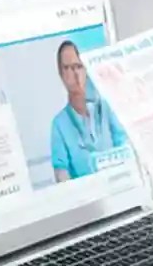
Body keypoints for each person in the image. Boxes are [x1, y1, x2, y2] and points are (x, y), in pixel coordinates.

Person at [49, 41, 128, 182]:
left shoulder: (106, 108)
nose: (74, 73)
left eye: (78, 66)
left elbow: (125, 148)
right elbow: (61, 175)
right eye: (67, 68)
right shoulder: (59, 124)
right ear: (61, 74)